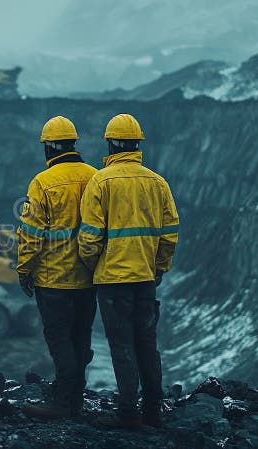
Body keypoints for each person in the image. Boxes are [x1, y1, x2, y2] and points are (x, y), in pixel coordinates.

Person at [78, 114, 179, 428]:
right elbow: (170, 232)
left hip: (113, 281)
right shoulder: (157, 182)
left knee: (121, 346)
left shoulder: (101, 181)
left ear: (110, 143)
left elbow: (90, 237)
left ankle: (127, 413)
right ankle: (153, 410)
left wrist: (94, 266)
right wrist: (158, 267)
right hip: (145, 279)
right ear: (137, 144)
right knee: (147, 343)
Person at [16, 116, 98, 419]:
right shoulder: (96, 177)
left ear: (49, 147)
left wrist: (24, 269)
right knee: (81, 338)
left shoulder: (42, 183)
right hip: (89, 278)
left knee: (60, 339)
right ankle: (74, 397)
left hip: (53, 280)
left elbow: (31, 233)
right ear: (73, 144)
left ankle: (64, 403)